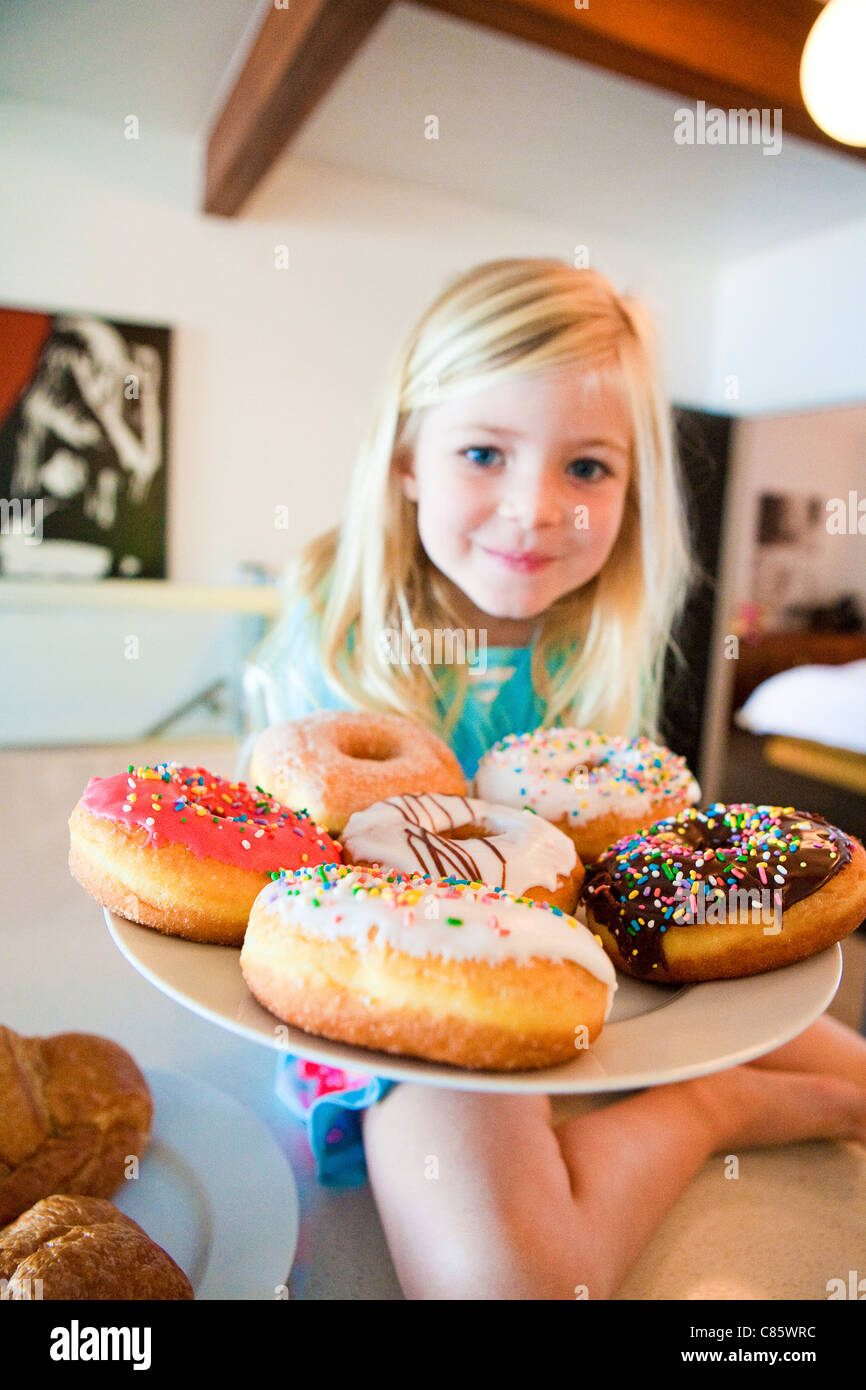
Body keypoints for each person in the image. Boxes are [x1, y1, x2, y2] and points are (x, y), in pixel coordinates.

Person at [244, 258, 866, 1299]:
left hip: (585, 967)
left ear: (631, 488)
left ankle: (732, 1079)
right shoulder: (340, 646)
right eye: (483, 451)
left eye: (586, 468)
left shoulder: (588, 644)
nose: (533, 510)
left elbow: (617, 873)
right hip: (403, 997)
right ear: (405, 458)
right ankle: (713, 1105)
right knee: (508, 1283)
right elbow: (301, 891)